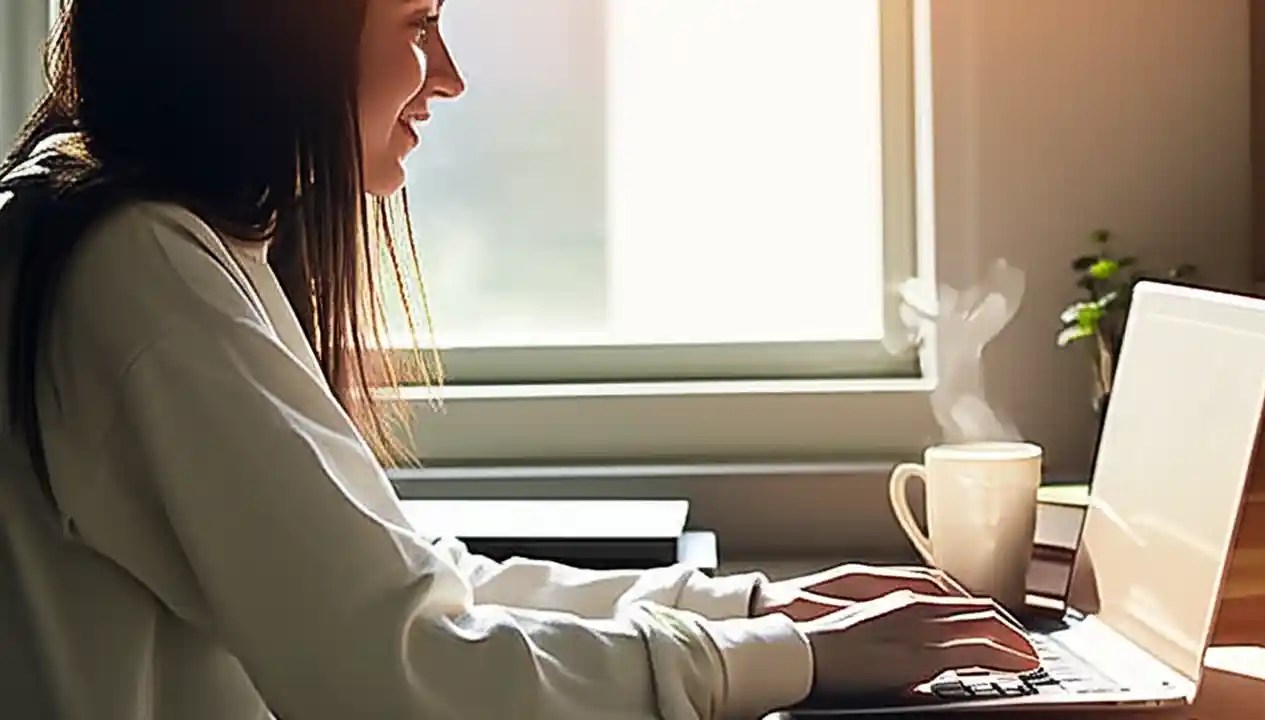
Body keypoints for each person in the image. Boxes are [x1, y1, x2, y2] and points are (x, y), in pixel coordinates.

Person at [0, 1, 1038, 718]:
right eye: (417, 25)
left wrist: (748, 609)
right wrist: (785, 663)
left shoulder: (147, 230)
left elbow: (405, 589)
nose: (446, 77)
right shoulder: (139, 271)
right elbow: (399, 674)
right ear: (276, 41)